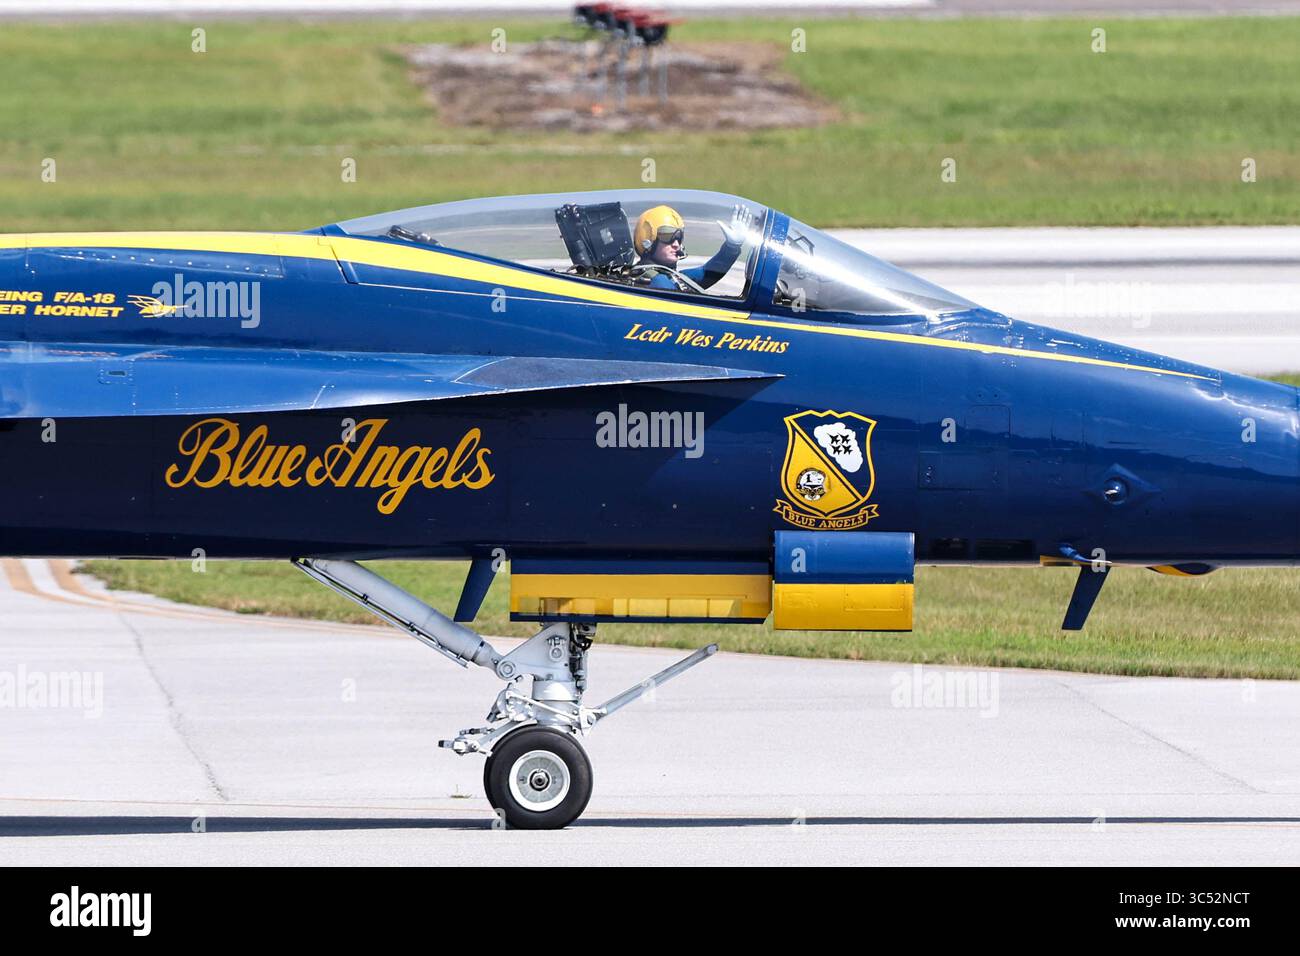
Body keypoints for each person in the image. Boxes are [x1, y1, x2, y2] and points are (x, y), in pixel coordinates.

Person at [632, 204, 756, 292]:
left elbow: (707, 273)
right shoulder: (658, 282)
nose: (676, 244)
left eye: (679, 237)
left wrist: (732, 247)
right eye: (667, 236)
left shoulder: (669, 277)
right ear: (647, 241)